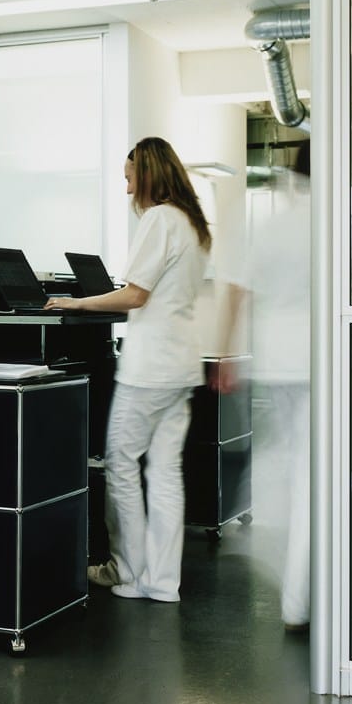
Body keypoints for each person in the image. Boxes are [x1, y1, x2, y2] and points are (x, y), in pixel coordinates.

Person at [46, 136, 212, 602]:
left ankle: (126, 572)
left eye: (128, 177)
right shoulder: (194, 225)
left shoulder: (160, 219)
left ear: (148, 174)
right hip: (181, 366)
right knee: (164, 472)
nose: (126, 189)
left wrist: (78, 302)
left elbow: (135, 295)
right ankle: (161, 583)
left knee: (120, 464)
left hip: (150, 369)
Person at [211, 139, 311, 630]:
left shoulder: (273, 222)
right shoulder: (330, 221)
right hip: (318, 361)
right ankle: (300, 598)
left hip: (277, 360)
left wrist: (228, 354)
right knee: (311, 471)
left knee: (296, 462)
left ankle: (301, 582)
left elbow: (238, 291)